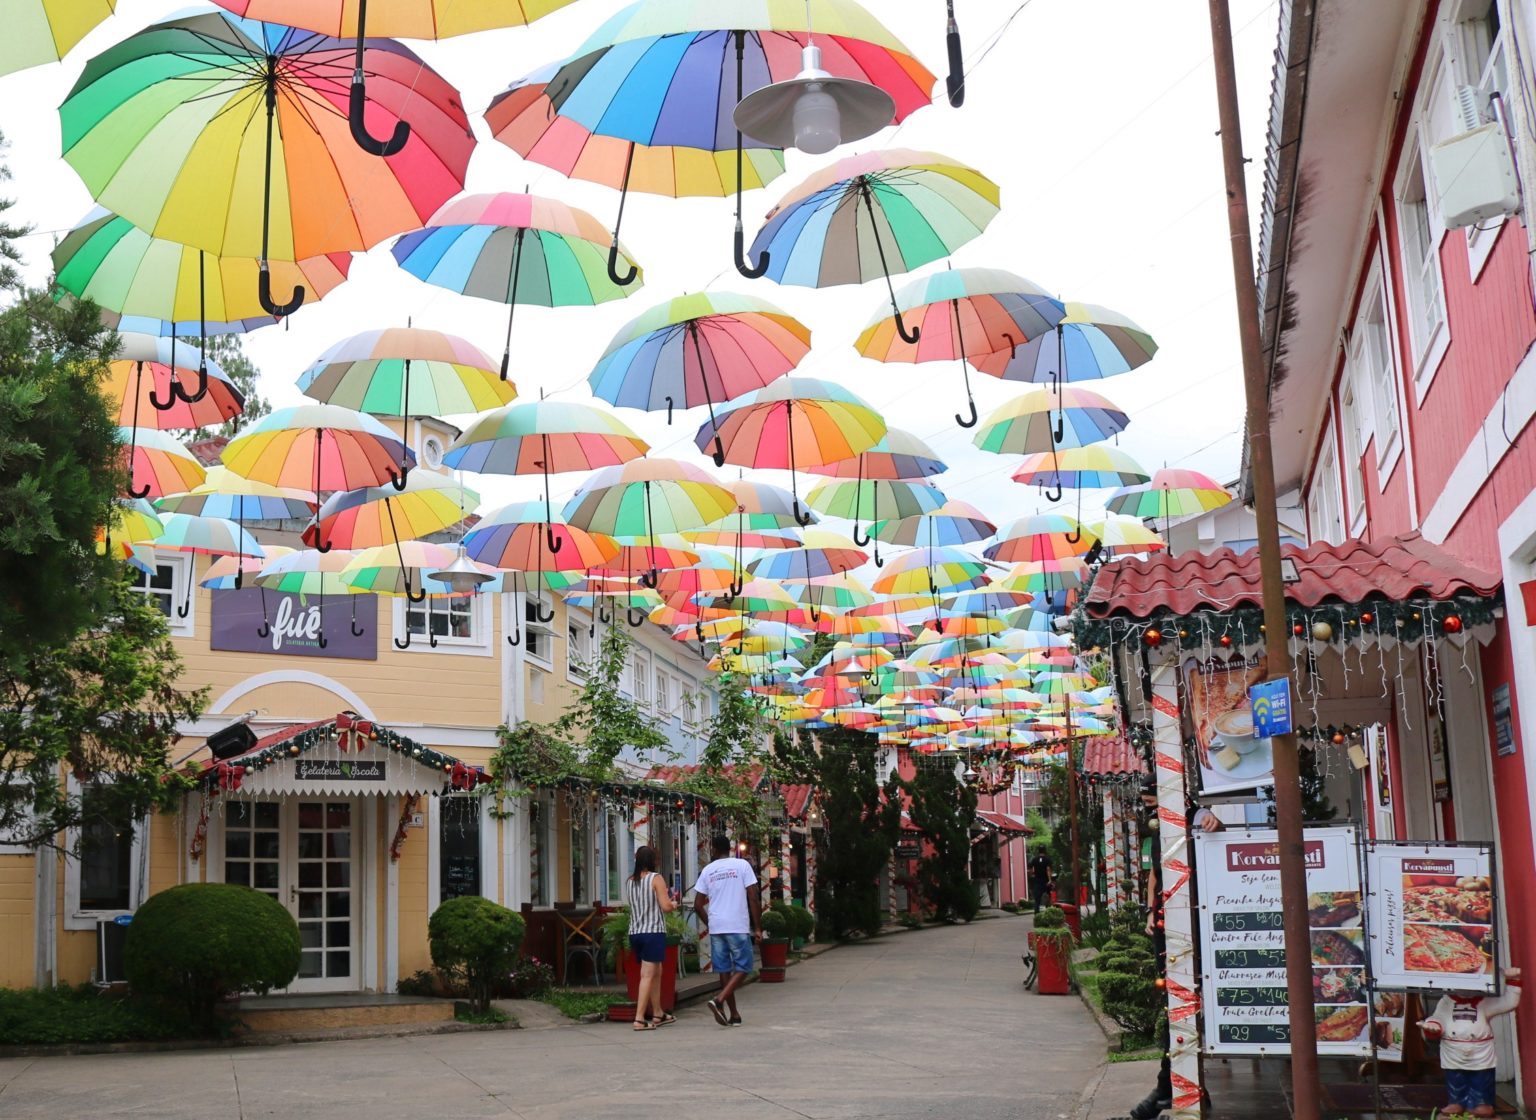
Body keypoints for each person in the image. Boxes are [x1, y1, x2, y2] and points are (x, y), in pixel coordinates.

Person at [1128, 780, 1223, 1120]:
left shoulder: (1196, 818)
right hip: (1166, 926)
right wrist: (1150, 911)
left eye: (1151, 795)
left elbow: (1219, 840)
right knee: (1172, 1005)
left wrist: (1211, 818)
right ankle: (1176, 1086)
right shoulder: (1157, 825)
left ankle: (1174, 1087)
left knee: (1191, 1005)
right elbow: (1154, 873)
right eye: (1145, 799)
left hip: (1198, 927)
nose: (1147, 803)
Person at [1420, 966, 1522, 1117]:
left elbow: (1509, 1002)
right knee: (1455, 1077)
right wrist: (1432, 1026)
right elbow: (1438, 1017)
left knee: (1481, 1077)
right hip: (1453, 1049)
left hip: (1480, 1050)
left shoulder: (1485, 1002)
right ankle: (1456, 1102)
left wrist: (1513, 980)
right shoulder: (1446, 1002)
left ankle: (1482, 1103)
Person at [693, 834, 761, 1027]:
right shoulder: (742, 866)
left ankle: (734, 1014)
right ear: (729, 849)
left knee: (724, 970)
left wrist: (711, 923)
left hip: (717, 927)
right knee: (745, 967)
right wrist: (757, 927)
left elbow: (698, 905)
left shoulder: (707, 870)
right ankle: (719, 1000)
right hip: (737, 925)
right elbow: (753, 897)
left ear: (713, 850)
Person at [624, 845, 677, 1031]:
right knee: (647, 975)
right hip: (653, 932)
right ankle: (639, 1019)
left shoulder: (630, 881)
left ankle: (658, 1013)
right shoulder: (656, 878)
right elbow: (665, 906)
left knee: (656, 970)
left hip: (635, 932)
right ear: (653, 861)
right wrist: (674, 904)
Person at [1028, 849, 1055, 915]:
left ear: (1038, 852)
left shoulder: (1034, 859)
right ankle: (1049, 914)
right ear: (1045, 852)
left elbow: (1030, 869)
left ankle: (1037, 915)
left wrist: (1032, 875)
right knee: (1048, 898)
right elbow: (1048, 869)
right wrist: (1050, 880)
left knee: (1037, 900)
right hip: (1046, 882)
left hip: (1037, 881)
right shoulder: (1047, 859)